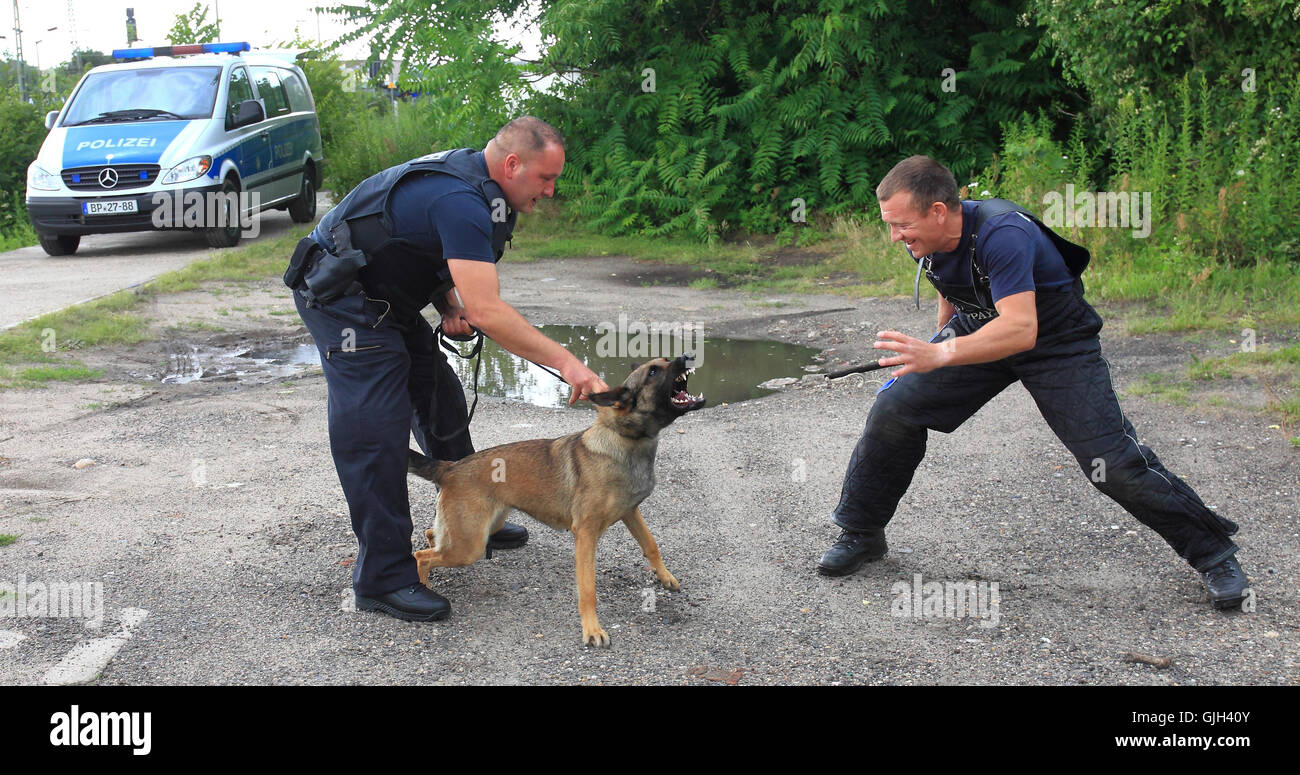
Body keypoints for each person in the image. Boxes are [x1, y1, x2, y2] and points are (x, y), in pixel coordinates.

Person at [816, 155, 1249, 610]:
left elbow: (1022, 330)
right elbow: (950, 279)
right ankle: (862, 533)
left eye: (901, 225)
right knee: (895, 409)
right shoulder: (927, 236)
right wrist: (943, 335)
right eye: (890, 225)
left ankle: (1213, 553)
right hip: (982, 331)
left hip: (1055, 342)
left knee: (1111, 461)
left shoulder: (1005, 233)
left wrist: (940, 353)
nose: (895, 237)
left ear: (939, 210)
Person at [286, 116, 610, 622]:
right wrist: (568, 363)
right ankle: (384, 577)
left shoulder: (482, 189)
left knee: (439, 397)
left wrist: (447, 302)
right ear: (511, 164)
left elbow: (418, 248)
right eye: (545, 178)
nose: (550, 190)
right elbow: (490, 311)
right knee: (375, 431)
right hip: (343, 301)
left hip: (387, 298)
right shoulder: (460, 201)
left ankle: (475, 512)